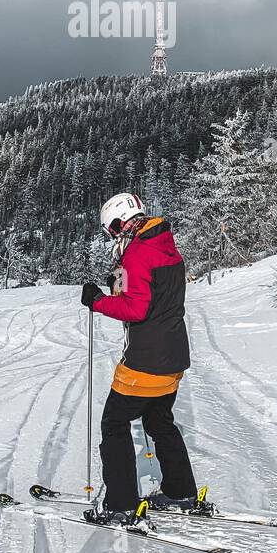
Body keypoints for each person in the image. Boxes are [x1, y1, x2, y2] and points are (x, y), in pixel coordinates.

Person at [80, 191, 201, 527]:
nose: (113, 236)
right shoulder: (164, 244)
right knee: (159, 422)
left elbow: (136, 309)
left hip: (145, 361)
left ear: (120, 222)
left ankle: (120, 505)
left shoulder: (137, 253)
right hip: (173, 358)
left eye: (112, 229)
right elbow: (149, 292)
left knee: (114, 424)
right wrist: (119, 284)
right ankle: (179, 491)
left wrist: (98, 302)